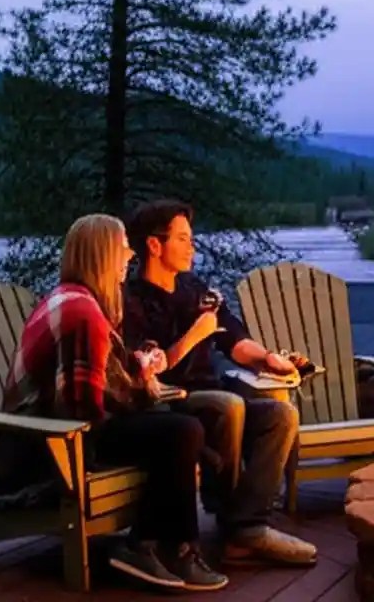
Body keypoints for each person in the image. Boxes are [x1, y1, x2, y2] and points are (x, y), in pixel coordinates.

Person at [0, 213, 228, 592]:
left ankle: (174, 548)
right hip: (48, 452)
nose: (129, 257)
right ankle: (155, 547)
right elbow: (83, 406)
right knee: (182, 430)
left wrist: (136, 372)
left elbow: (98, 379)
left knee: (178, 429)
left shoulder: (75, 299)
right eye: (123, 249)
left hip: (51, 440)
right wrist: (140, 394)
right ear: (103, 254)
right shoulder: (81, 311)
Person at [121, 199, 317, 567]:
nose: (192, 246)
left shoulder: (195, 287)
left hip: (217, 398)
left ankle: (247, 527)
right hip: (171, 407)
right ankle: (232, 523)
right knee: (229, 405)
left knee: (281, 415)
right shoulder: (132, 302)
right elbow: (146, 373)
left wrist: (266, 359)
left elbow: (233, 338)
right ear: (154, 245)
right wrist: (194, 336)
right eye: (182, 238)